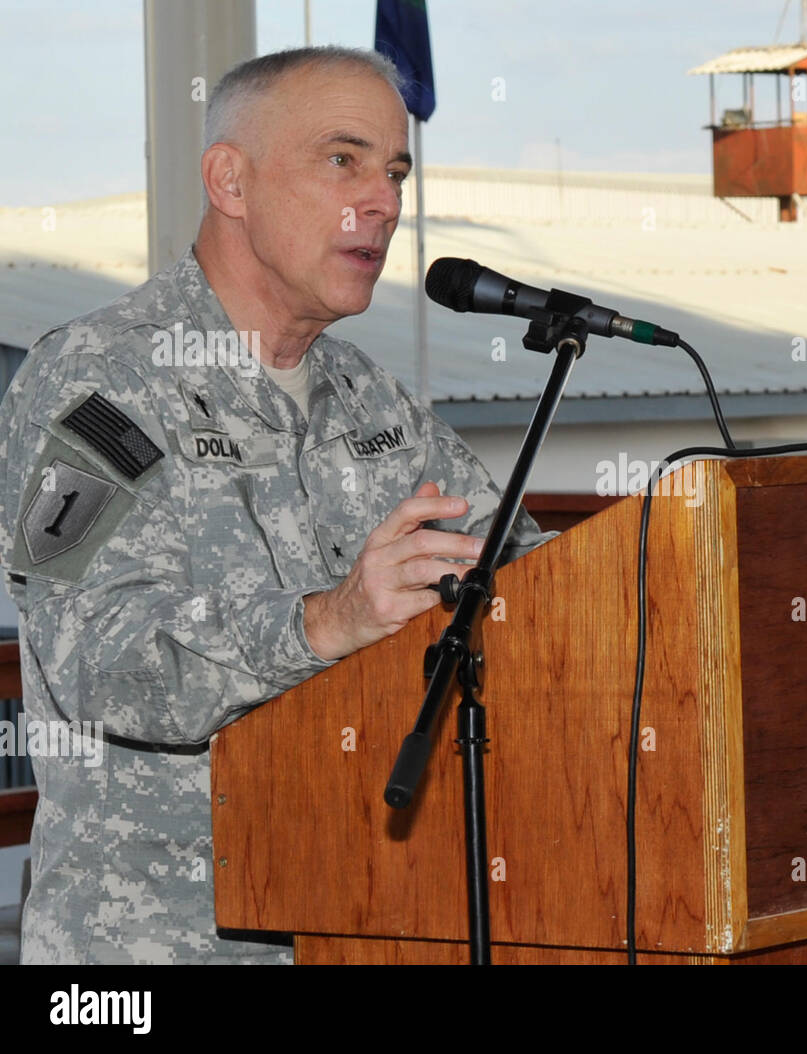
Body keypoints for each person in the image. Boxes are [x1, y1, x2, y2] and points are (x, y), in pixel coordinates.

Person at [0, 46, 554, 964]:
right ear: (231, 180)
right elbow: (92, 660)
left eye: (395, 171)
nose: (382, 200)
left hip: (369, 922)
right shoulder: (100, 379)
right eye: (344, 160)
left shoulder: (375, 400)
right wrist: (328, 620)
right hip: (160, 946)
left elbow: (534, 575)